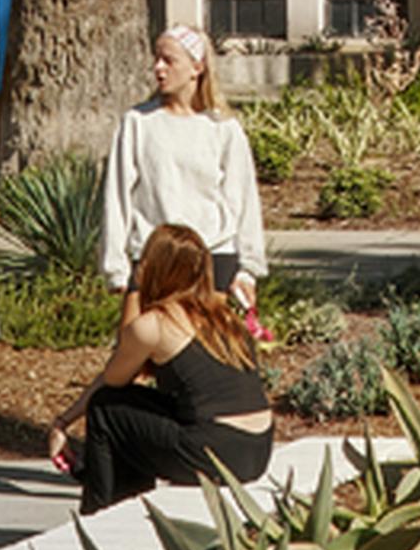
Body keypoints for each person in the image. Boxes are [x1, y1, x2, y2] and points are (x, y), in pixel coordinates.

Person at [49, 222, 276, 513]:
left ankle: (102, 513)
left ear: (155, 270)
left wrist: (62, 423)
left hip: (217, 454)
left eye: (144, 262)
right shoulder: (225, 316)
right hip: (257, 449)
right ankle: (127, 506)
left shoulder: (154, 325)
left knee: (106, 408)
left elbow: (112, 381)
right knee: (131, 407)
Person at [96, 27, 268, 308]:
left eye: (169, 60)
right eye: (156, 59)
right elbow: (117, 197)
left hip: (213, 259)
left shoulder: (223, 128)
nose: (158, 68)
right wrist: (117, 268)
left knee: (205, 350)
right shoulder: (138, 123)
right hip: (155, 259)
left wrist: (249, 269)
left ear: (196, 67)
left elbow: (244, 201)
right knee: (146, 346)